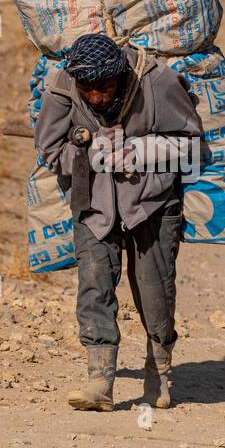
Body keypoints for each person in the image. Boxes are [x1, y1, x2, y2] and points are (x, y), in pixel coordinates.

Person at [35, 32, 202, 411]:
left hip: (152, 205)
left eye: (105, 88)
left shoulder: (157, 83)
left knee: (155, 291)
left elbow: (192, 143)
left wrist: (139, 151)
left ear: (122, 76)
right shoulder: (62, 90)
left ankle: (159, 374)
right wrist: (89, 154)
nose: (96, 98)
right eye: (88, 89)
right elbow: (49, 150)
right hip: (92, 208)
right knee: (94, 288)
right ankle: (100, 382)